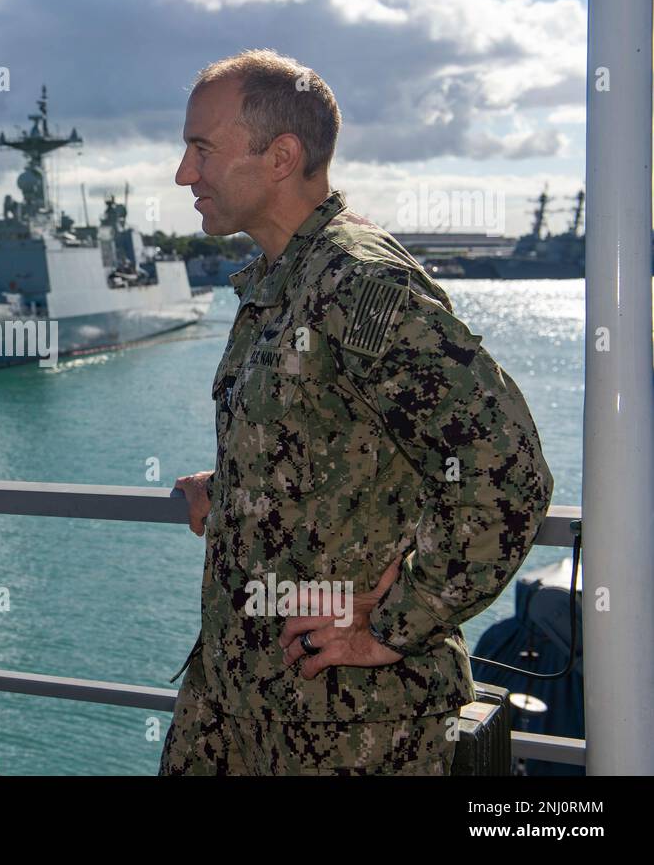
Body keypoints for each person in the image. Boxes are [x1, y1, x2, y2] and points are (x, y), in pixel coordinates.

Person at [159, 50, 553, 775]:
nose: (185, 174)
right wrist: (238, 488)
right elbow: (337, 439)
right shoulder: (282, 278)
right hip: (239, 704)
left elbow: (505, 471)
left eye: (202, 149)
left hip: (349, 727)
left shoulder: (360, 283)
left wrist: (394, 622)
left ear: (280, 156)